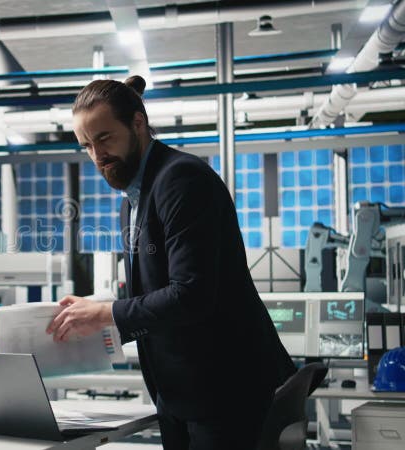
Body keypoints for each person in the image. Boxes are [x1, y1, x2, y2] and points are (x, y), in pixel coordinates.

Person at [46, 76, 296, 450]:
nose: (97, 156)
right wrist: (93, 329)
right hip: (180, 391)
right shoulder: (132, 199)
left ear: (138, 124)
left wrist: (104, 314)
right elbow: (154, 297)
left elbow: (190, 294)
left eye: (104, 139)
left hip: (224, 391)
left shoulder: (180, 179)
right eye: (86, 145)